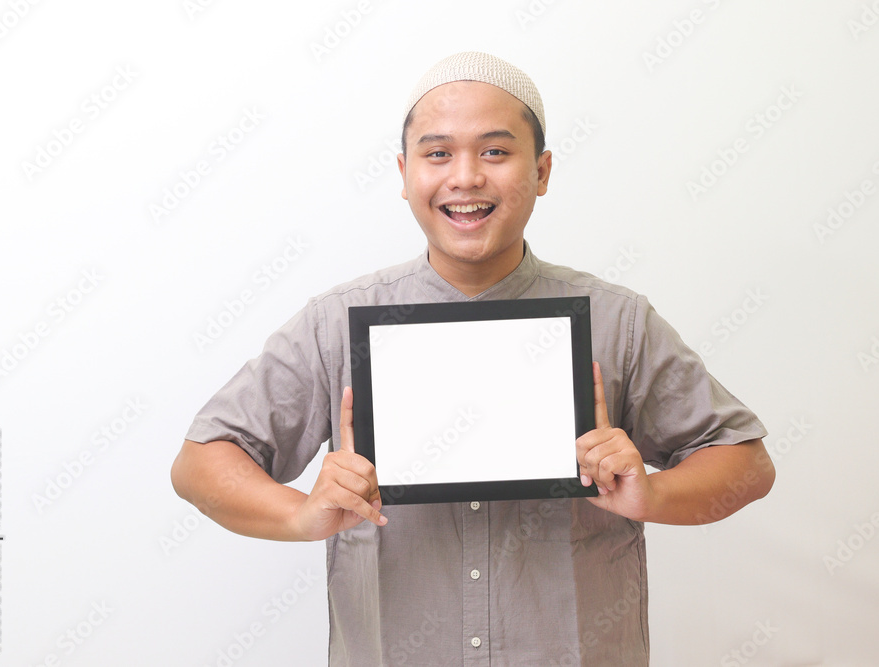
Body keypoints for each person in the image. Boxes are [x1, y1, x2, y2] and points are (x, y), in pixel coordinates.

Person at [171, 51, 775, 666]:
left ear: (541, 171)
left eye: (494, 151)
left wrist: (654, 494)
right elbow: (199, 464)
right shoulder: (336, 323)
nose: (465, 177)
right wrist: (303, 515)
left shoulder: (619, 320)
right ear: (404, 174)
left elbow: (748, 465)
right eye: (437, 154)